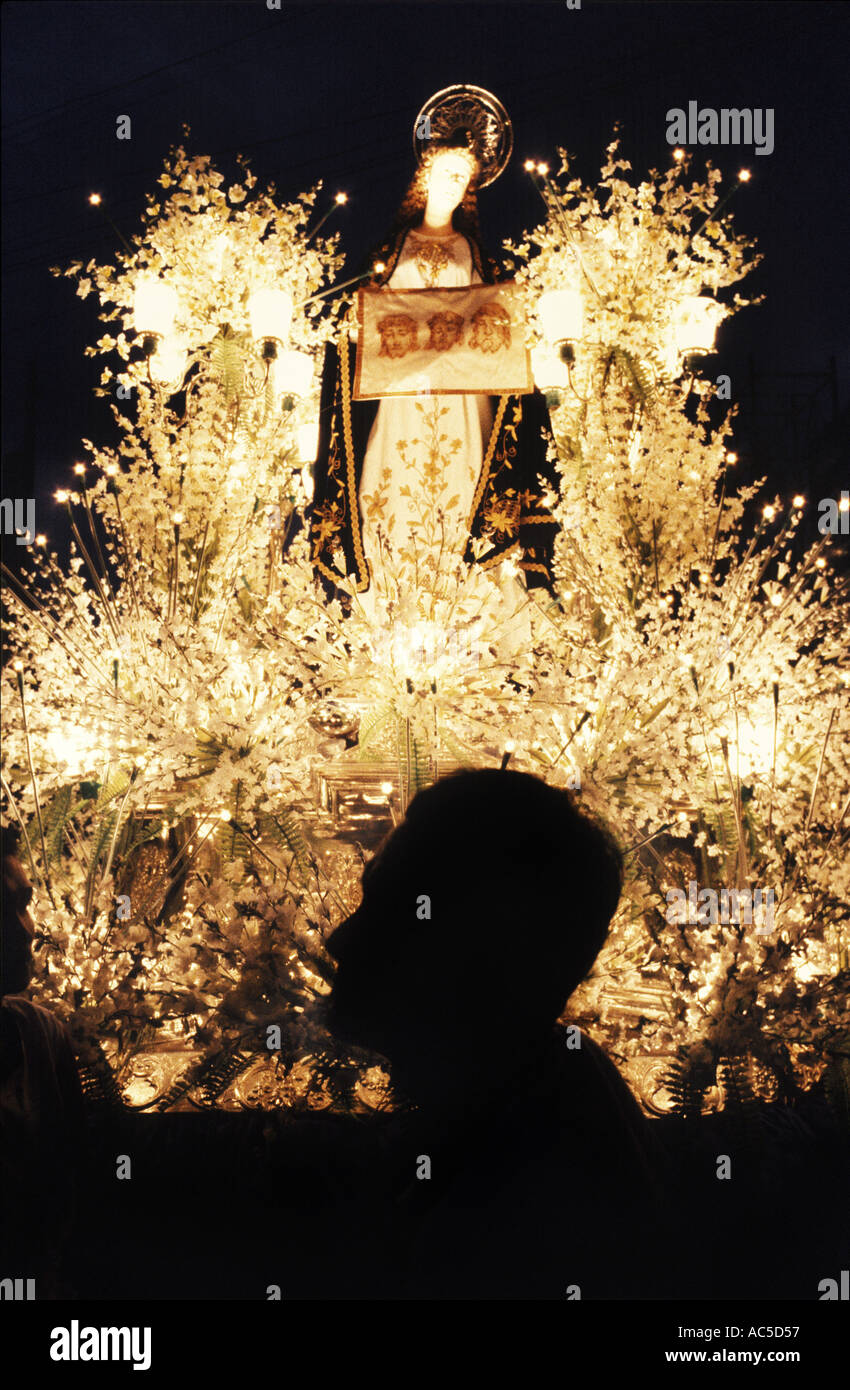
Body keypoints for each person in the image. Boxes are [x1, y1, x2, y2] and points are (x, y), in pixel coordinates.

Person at [325, 769, 675, 1300]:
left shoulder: (520, 1195)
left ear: (473, 951)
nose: (338, 939)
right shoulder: (531, 1097)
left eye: (385, 910)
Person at [308, 89, 560, 637]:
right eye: (444, 172)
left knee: (463, 483)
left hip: (463, 396)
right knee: (393, 489)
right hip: (401, 392)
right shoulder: (389, 251)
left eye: (461, 178)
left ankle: (465, 603)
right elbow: (363, 317)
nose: (451, 184)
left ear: (470, 190)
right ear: (424, 176)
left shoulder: (479, 257)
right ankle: (390, 599)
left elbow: (494, 322)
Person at [1, 825, 86, 1292]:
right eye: (1, 911)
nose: (24, 930)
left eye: (23, 904)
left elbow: (70, 1186)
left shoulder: (41, 1034)